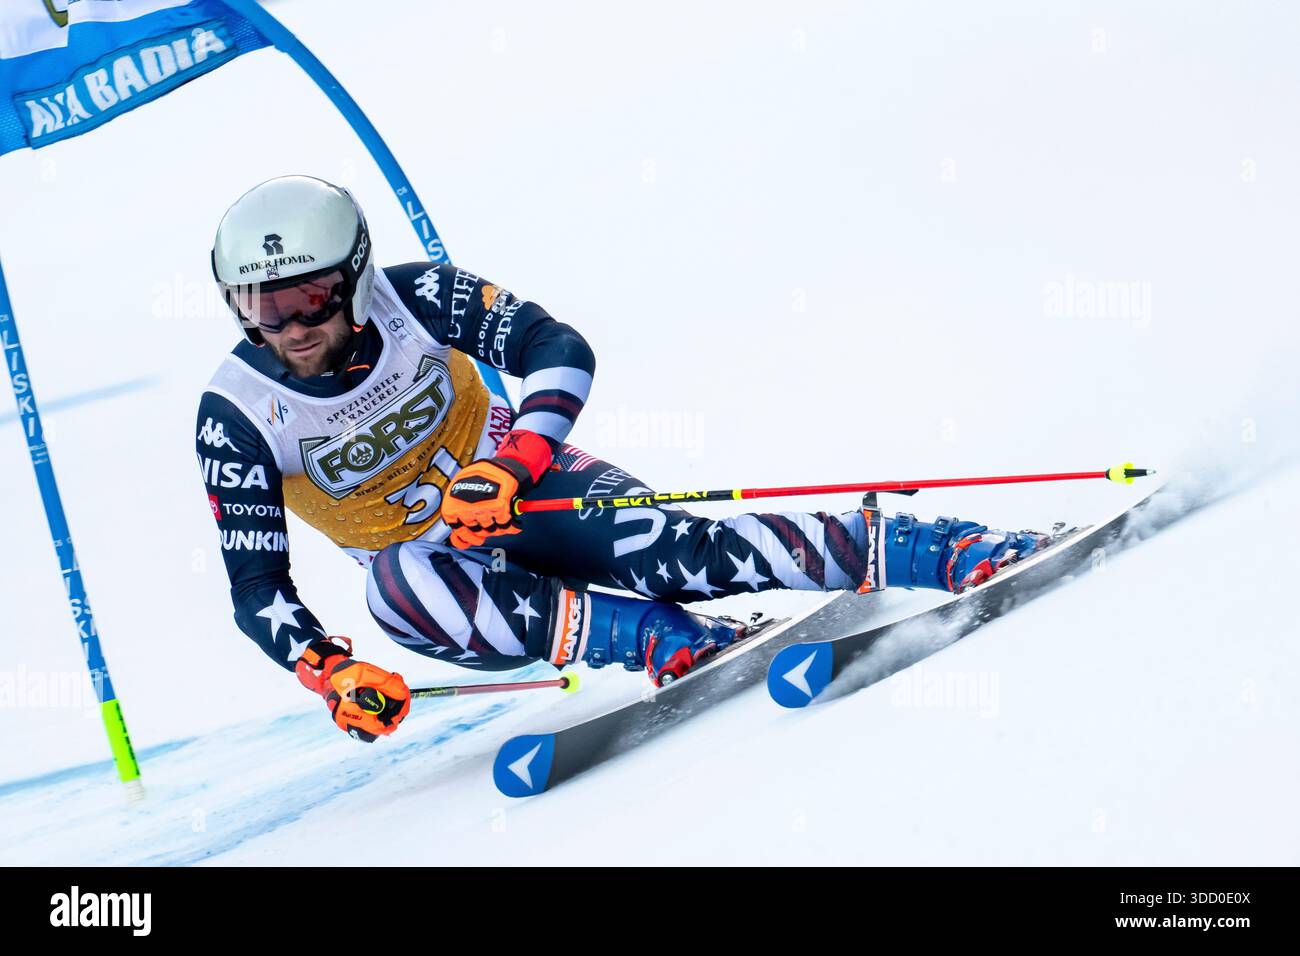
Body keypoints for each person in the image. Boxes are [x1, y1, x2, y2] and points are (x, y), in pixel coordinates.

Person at [198, 175, 1045, 742]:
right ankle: (663, 642)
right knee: (394, 586)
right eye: (258, 305)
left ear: (352, 276)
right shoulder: (235, 412)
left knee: (680, 553)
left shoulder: (416, 295)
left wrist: (514, 464)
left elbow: (557, 345)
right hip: (447, 587)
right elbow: (256, 590)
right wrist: (330, 671)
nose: (288, 326)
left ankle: (940, 548)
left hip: (531, 494)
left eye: (307, 296)